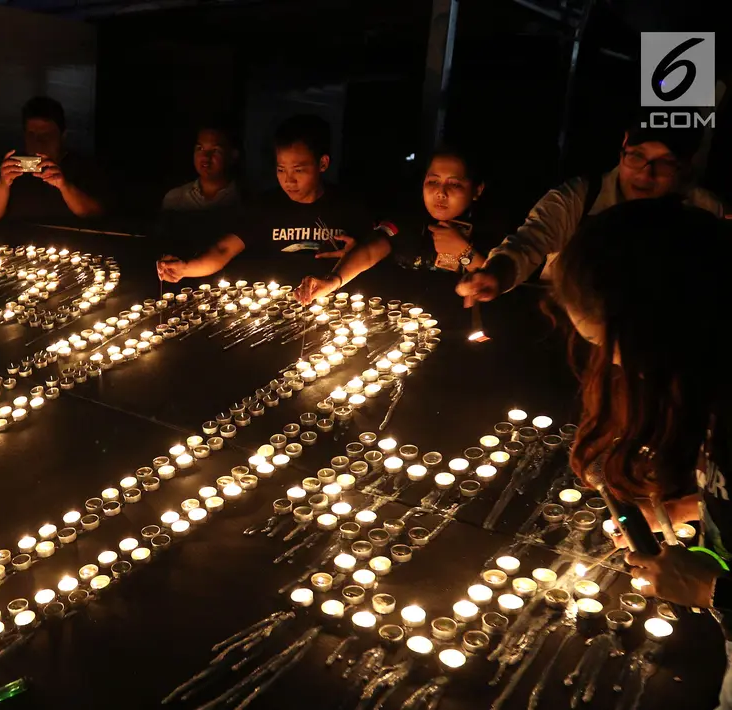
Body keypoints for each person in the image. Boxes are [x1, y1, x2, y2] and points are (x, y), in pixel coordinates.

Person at [552, 198, 732, 707]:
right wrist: (691, 506)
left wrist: (713, 589)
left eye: (610, 344)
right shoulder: (711, 382)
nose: (612, 364)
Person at [457, 124, 725, 306]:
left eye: (664, 162)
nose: (645, 173)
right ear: (624, 144)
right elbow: (531, 239)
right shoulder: (579, 197)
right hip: (566, 331)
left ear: (685, 166)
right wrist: (497, 273)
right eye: (637, 156)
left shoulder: (703, 211)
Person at [157, 114, 387, 290]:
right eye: (281, 169)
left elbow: (378, 248)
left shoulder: (348, 205)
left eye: (299, 170)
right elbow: (223, 249)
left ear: (323, 164)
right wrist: (185, 268)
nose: (289, 180)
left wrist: (355, 254)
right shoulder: (265, 207)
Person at [296, 145, 498, 301]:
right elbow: (370, 251)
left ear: (477, 189)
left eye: (454, 184)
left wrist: (464, 253)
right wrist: (332, 282)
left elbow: (500, 282)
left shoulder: (493, 231)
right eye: (433, 181)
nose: (440, 192)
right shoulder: (410, 218)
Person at [0, 96, 104, 224]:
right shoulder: (11, 167)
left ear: (62, 136)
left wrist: (64, 187)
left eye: (46, 135)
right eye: (31, 134)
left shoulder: (81, 167)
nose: (38, 142)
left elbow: (94, 214)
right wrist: (2, 184)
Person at [161, 123, 240, 212]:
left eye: (215, 150)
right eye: (200, 148)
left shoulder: (243, 200)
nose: (205, 157)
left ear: (233, 155)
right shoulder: (175, 199)